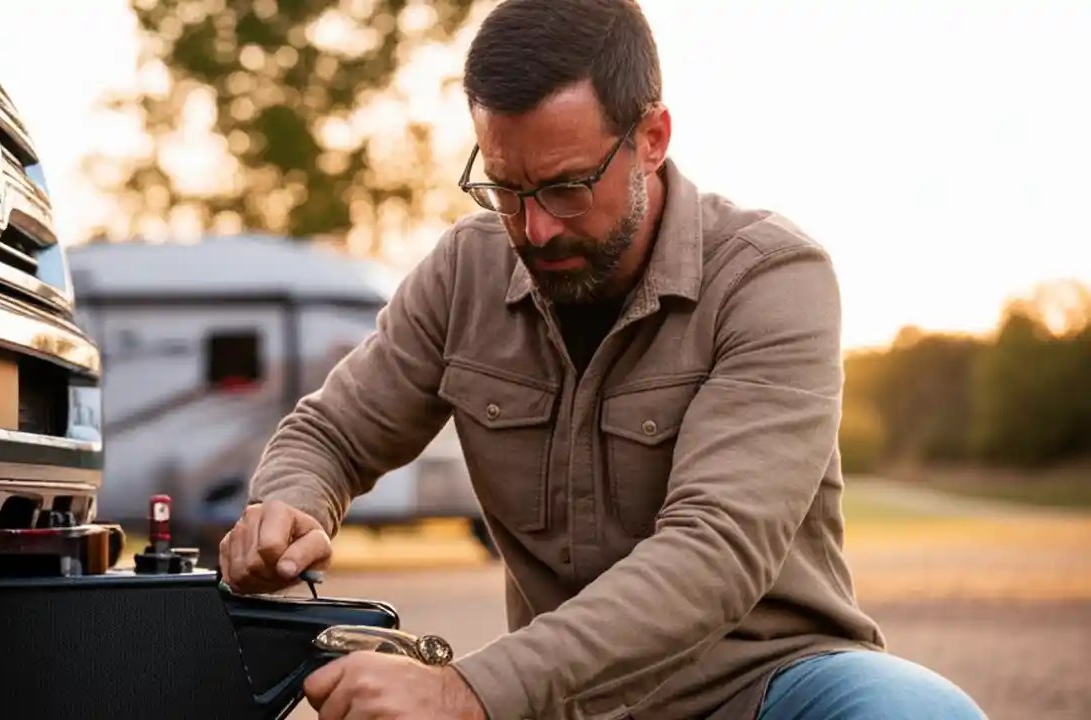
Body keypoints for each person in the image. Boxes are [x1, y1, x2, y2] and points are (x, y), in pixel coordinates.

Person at [219, 1, 988, 718]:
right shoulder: (466, 271)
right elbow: (330, 436)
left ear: (652, 138)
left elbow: (712, 553)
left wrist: (466, 693)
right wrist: (288, 508)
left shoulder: (772, 280)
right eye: (505, 186)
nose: (535, 229)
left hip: (767, 687)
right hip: (568, 703)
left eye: (565, 188)